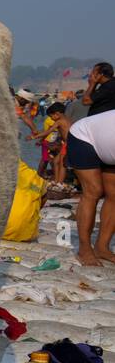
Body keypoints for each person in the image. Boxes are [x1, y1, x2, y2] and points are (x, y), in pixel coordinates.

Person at [59, 107, 115, 266]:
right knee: (94, 190)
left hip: (108, 145)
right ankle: (84, 249)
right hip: (84, 137)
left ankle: (102, 248)